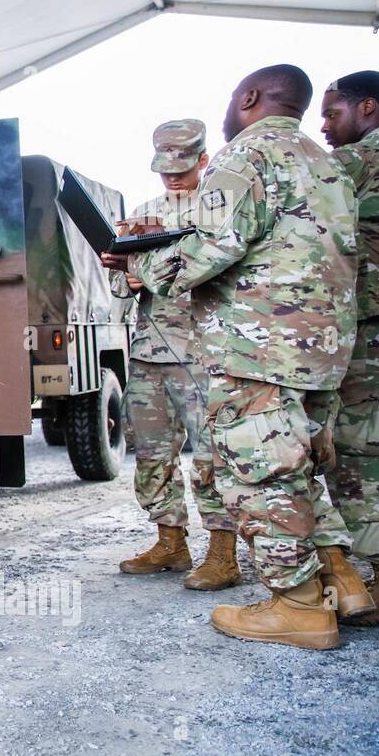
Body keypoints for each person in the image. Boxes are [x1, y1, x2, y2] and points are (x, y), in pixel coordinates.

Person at [103, 64, 362, 649]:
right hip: (316, 346)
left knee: (261, 471)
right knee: (296, 464)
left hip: (257, 346)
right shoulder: (325, 161)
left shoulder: (247, 157)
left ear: (248, 98)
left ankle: (297, 604)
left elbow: (213, 247)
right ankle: (342, 582)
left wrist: (139, 264)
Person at [110, 120, 239, 588]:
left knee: (212, 458)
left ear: (204, 160)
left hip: (204, 354)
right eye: (165, 170)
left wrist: (160, 270)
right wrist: (124, 270)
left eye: (182, 167)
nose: (173, 177)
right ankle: (171, 543)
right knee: (150, 454)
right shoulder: (143, 213)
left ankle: (223, 555)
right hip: (150, 353)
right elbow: (119, 291)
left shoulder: (220, 213)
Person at [321, 70, 379, 624]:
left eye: (331, 113)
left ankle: (378, 583)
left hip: (369, 332)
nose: (323, 126)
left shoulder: (355, 162)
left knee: (361, 450)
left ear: (367, 107)